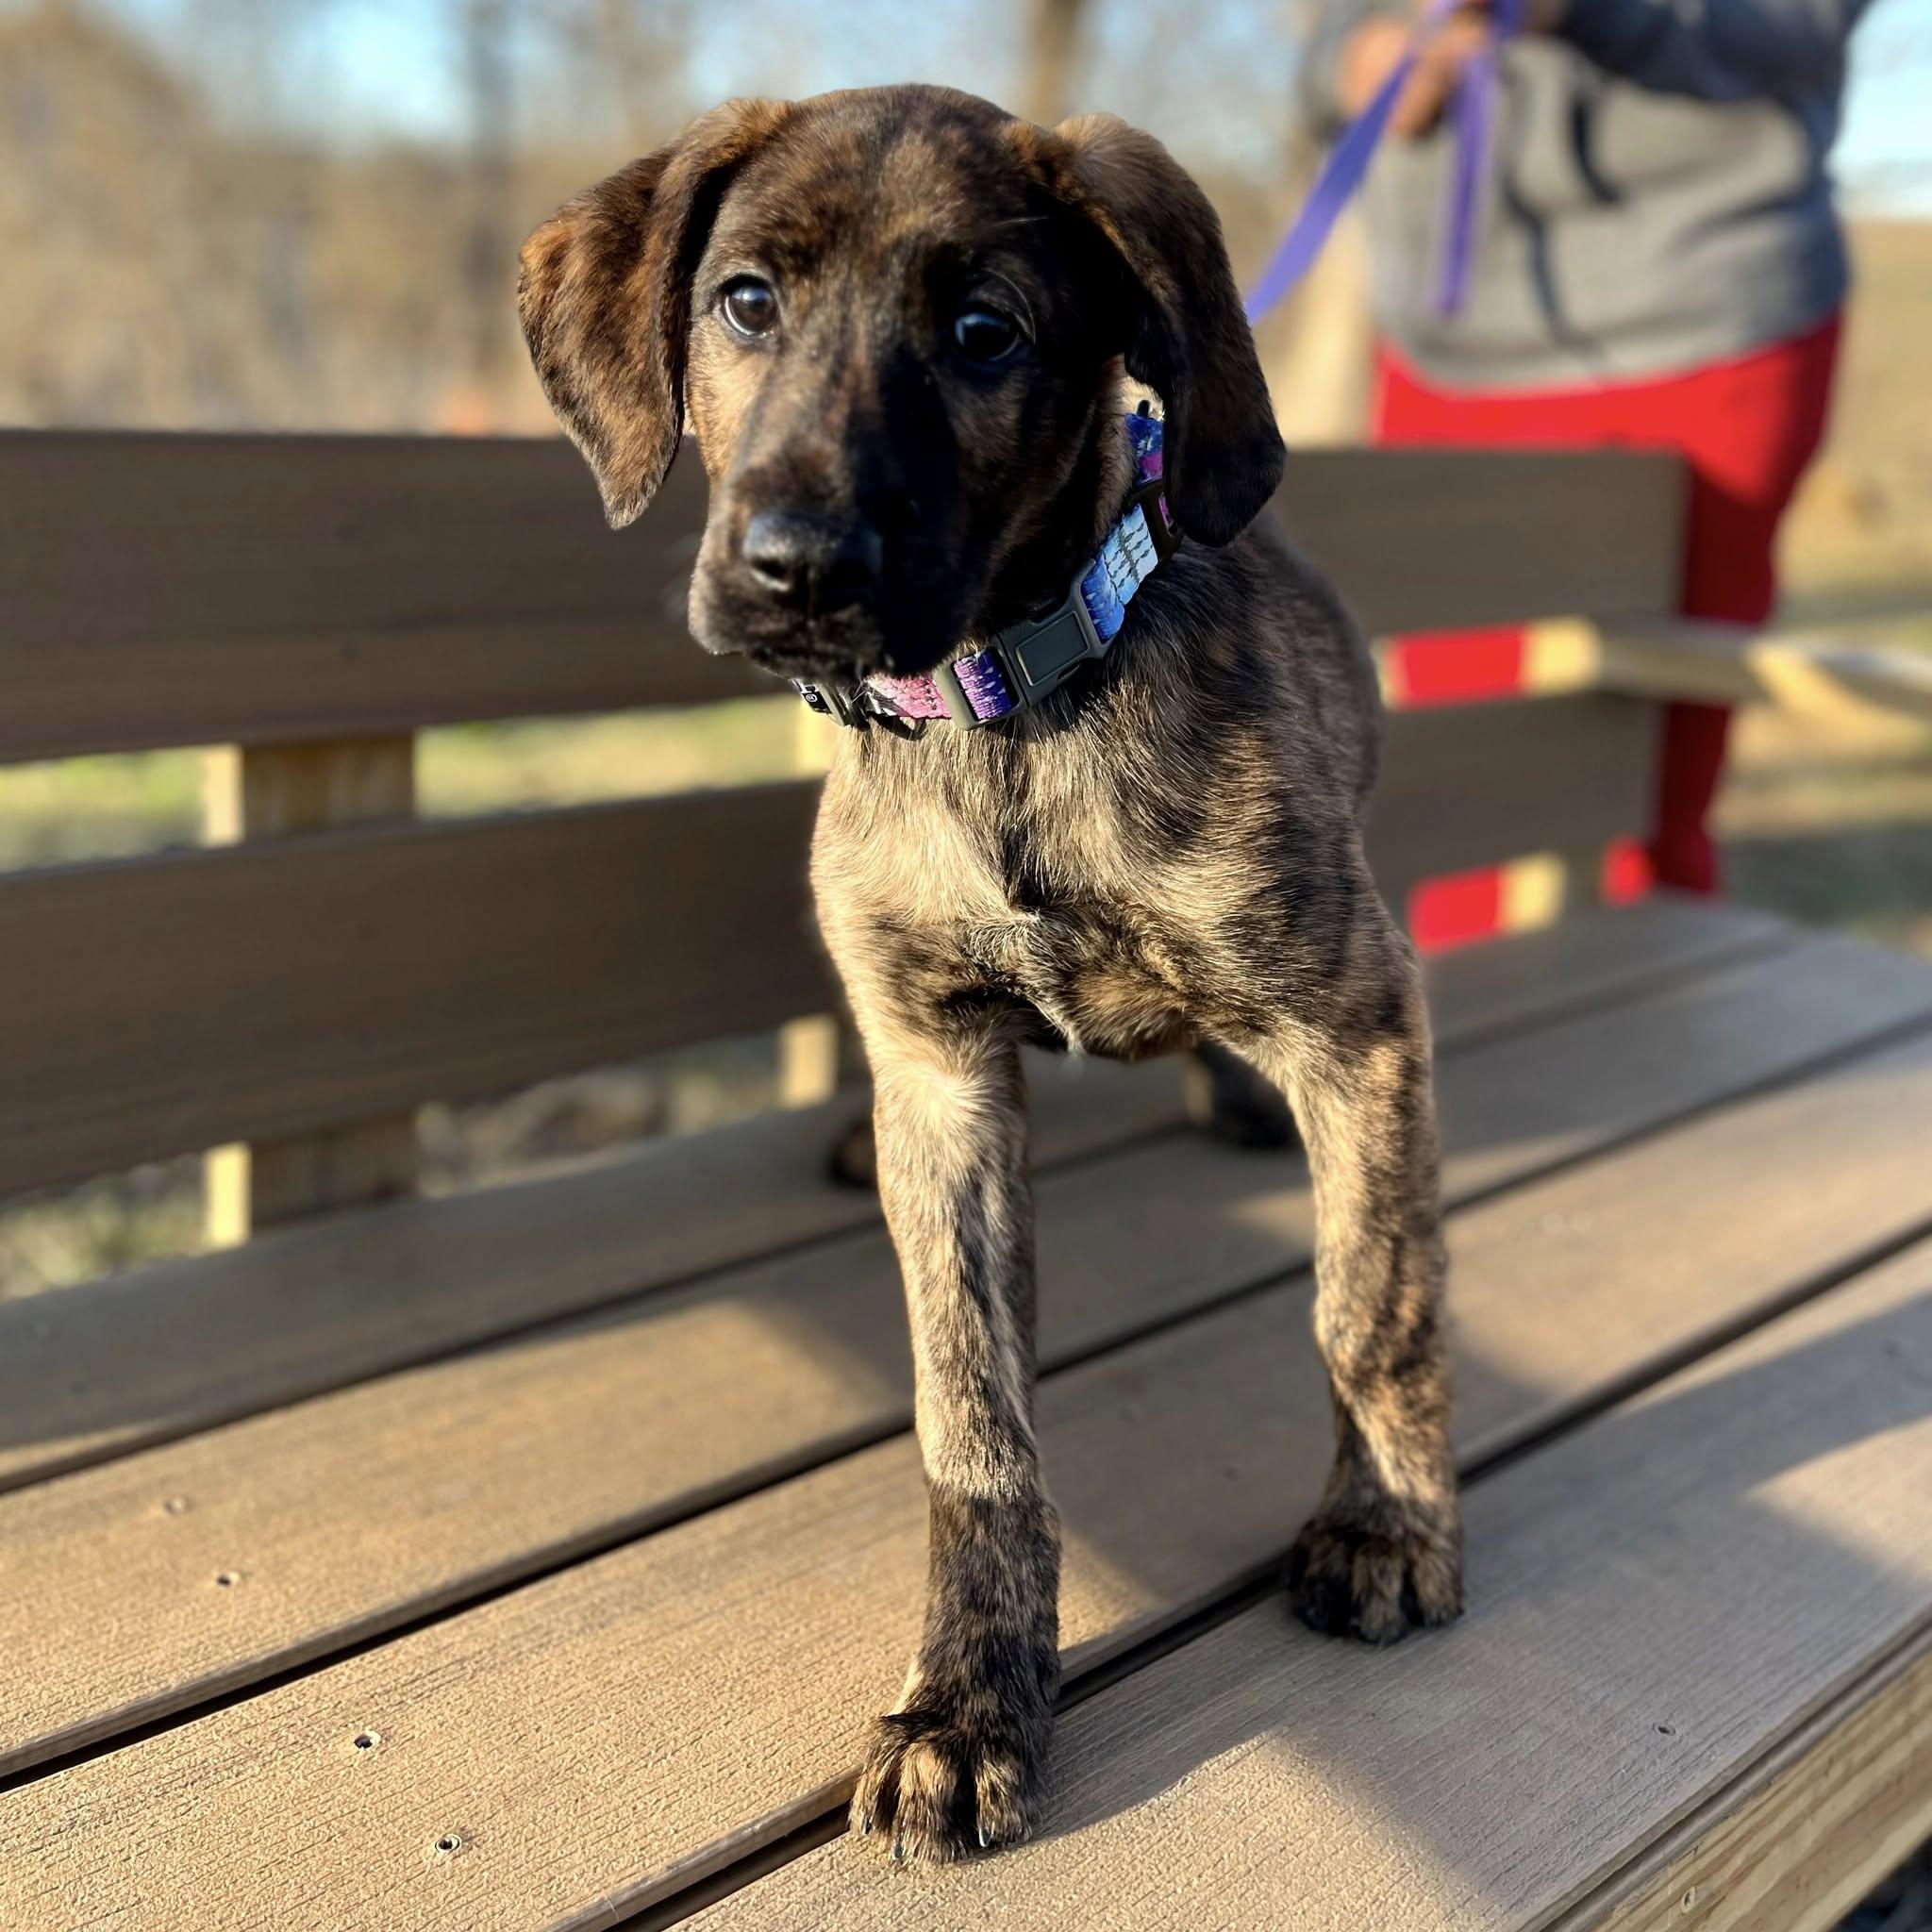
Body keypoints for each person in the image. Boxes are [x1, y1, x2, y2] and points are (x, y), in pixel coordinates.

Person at [1300, 0, 1869, 903]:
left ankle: (1643, 1020)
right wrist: (1354, 59)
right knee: (1459, 812)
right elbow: (1346, 27)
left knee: (1633, 817)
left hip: (1700, 323)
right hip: (1443, 344)